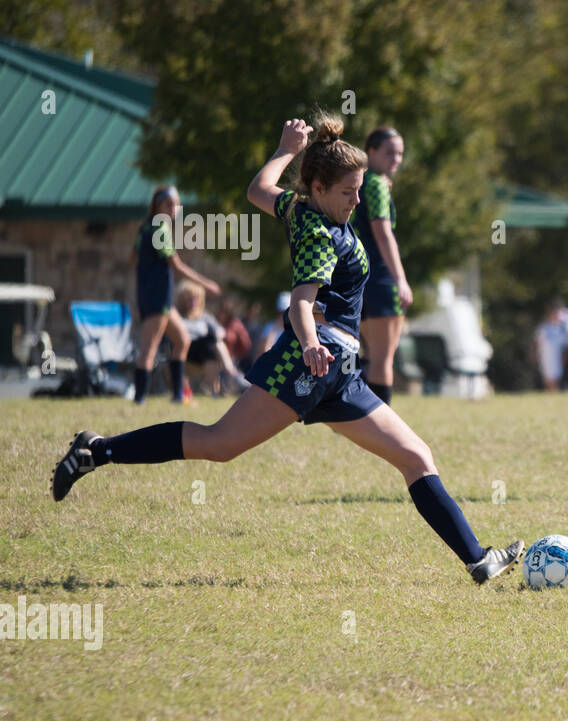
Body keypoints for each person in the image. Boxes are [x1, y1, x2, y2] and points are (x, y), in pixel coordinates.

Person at [51, 114, 524, 585]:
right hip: (309, 362)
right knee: (218, 445)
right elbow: (301, 304)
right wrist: (313, 343)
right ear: (318, 188)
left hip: (339, 372)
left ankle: (476, 559)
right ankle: (98, 450)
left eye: (360, 190)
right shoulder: (319, 232)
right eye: (347, 192)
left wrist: (284, 150)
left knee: (416, 456)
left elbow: (258, 191)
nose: (357, 200)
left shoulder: (298, 207)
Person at [130, 185, 222, 404]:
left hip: (158, 299)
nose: (174, 208)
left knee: (182, 339)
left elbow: (132, 258)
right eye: (168, 203)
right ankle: (139, 399)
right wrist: (206, 283)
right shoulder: (159, 228)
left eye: (176, 204)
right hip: (157, 298)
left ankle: (178, 395)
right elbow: (176, 265)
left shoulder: (145, 229)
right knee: (149, 349)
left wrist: (148, 270)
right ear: (157, 206)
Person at [353, 127, 411, 406]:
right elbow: (383, 232)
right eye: (390, 152)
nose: (396, 158)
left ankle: (356, 415)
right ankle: (378, 424)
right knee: (382, 359)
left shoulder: (359, 182)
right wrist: (400, 278)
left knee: (368, 355)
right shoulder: (374, 183)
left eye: (400, 153)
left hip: (361, 278)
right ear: (371, 152)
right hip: (380, 278)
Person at [175, 282, 250, 396]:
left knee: (214, 344)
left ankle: (224, 381)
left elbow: (220, 332)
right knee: (212, 344)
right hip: (184, 350)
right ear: (183, 299)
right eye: (189, 298)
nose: (193, 302)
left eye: (196, 298)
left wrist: (216, 334)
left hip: (204, 352)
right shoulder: (177, 316)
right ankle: (233, 375)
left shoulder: (204, 316)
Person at [534, 300, 568, 393]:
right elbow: (538, 341)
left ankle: (555, 392)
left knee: (557, 376)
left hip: (558, 356)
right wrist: (536, 354)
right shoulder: (544, 327)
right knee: (548, 376)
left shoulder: (563, 328)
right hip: (546, 356)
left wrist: (565, 355)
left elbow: (567, 344)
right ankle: (552, 393)